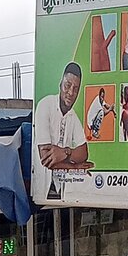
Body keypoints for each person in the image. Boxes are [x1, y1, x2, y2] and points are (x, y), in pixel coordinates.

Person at [33, 62, 89, 202]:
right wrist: (75, 167)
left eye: (75, 89)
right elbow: (46, 159)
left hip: (61, 192)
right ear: (60, 84)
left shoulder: (73, 117)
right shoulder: (45, 106)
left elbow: (84, 152)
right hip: (40, 190)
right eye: (67, 85)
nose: (71, 92)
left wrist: (64, 152)